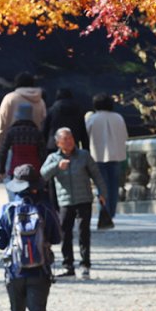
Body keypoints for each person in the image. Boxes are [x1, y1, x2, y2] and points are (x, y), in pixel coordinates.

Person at [0, 165, 62, 311]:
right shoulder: (45, 209)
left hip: (14, 272)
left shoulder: (8, 210)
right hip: (40, 271)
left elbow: (0, 241)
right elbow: (57, 237)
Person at [40, 128, 106, 280]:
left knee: (84, 231)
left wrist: (102, 193)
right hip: (65, 201)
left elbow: (96, 174)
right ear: (58, 143)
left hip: (84, 199)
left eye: (70, 138)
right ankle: (67, 265)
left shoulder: (83, 155)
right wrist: (57, 166)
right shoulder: (53, 158)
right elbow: (43, 175)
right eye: (65, 139)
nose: (69, 142)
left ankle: (85, 264)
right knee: (65, 232)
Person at [84, 94, 127, 224]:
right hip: (116, 156)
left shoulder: (92, 118)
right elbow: (125, 135)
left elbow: (86, 136)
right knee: (114, 186)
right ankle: (112, 212)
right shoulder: (118, 117)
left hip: (97, 156)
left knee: (101, 186)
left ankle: (104, 211)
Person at [0, 72, 46, 143]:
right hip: (34, 145)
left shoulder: (10, 98)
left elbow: (2, 123)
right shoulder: (40, 101)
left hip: (13, 145)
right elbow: (43, 124)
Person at [0, 102, 46, 179]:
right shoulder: (36, 132)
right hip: (34, 169)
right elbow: (43, 153)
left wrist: (1, 169)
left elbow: (3, 151)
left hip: (16, 168)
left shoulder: (12, 132)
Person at [41, 88, 89, 152]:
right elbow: (83, 133)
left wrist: (43, 149)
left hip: (53, 145)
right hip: (72, 145)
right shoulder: (78, 111)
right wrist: (86, 150)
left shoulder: (52, 110)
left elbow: (45, 131)